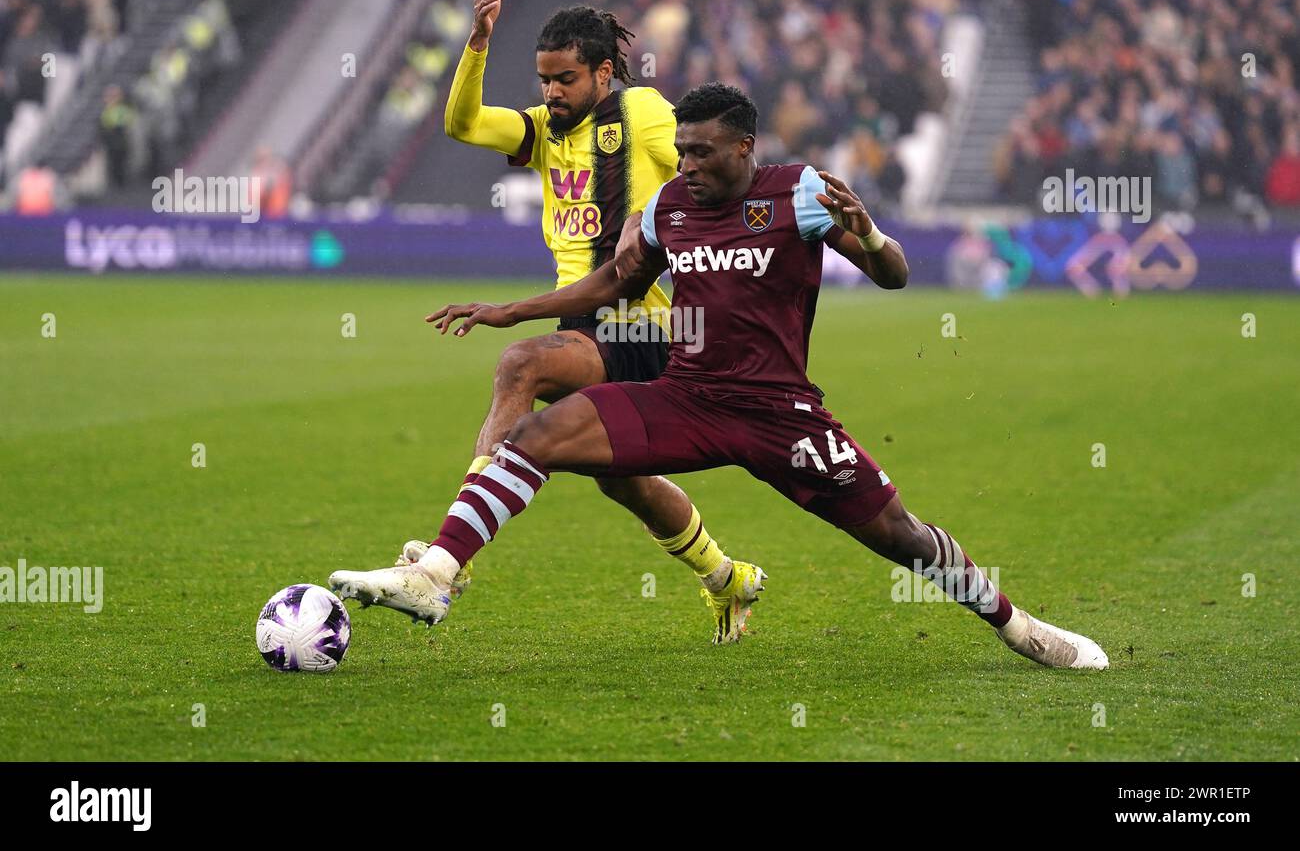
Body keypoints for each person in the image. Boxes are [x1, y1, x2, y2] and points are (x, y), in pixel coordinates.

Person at [331, 83, 1109, 670]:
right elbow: (616, 287)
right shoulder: (670, 205)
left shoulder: (800, 193)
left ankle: (1020, 628)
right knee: (535, 434)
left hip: (781, 414)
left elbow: (895, 275)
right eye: (680, 149)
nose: (685, 163)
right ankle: (434, 575)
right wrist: (514, 311)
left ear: (744, 149)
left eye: (701, 151)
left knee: (900, 536)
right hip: (688, 395)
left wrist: (868, 233)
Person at [423, 0, 765, 643]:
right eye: (545, 80)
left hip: (648, 323)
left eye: (566, 80)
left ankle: (447, 561)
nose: (551, 93)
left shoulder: (640, 114)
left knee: (521, 364)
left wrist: (669, 214)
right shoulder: (544, 132)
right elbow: (462, 123)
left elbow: (719, 168)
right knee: (625, 482)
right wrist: (477, 42)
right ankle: (728, 579)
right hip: (585, 323)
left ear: (603, 72)